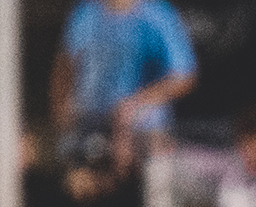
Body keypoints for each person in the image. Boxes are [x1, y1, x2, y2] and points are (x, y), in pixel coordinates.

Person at [51, 0, 197, 173]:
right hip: (89, 131)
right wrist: (62, 118)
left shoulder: (157, 13)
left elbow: (184, 76)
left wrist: (133, 107)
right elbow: (64, 67)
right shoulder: (86, 11)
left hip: (145, 137)